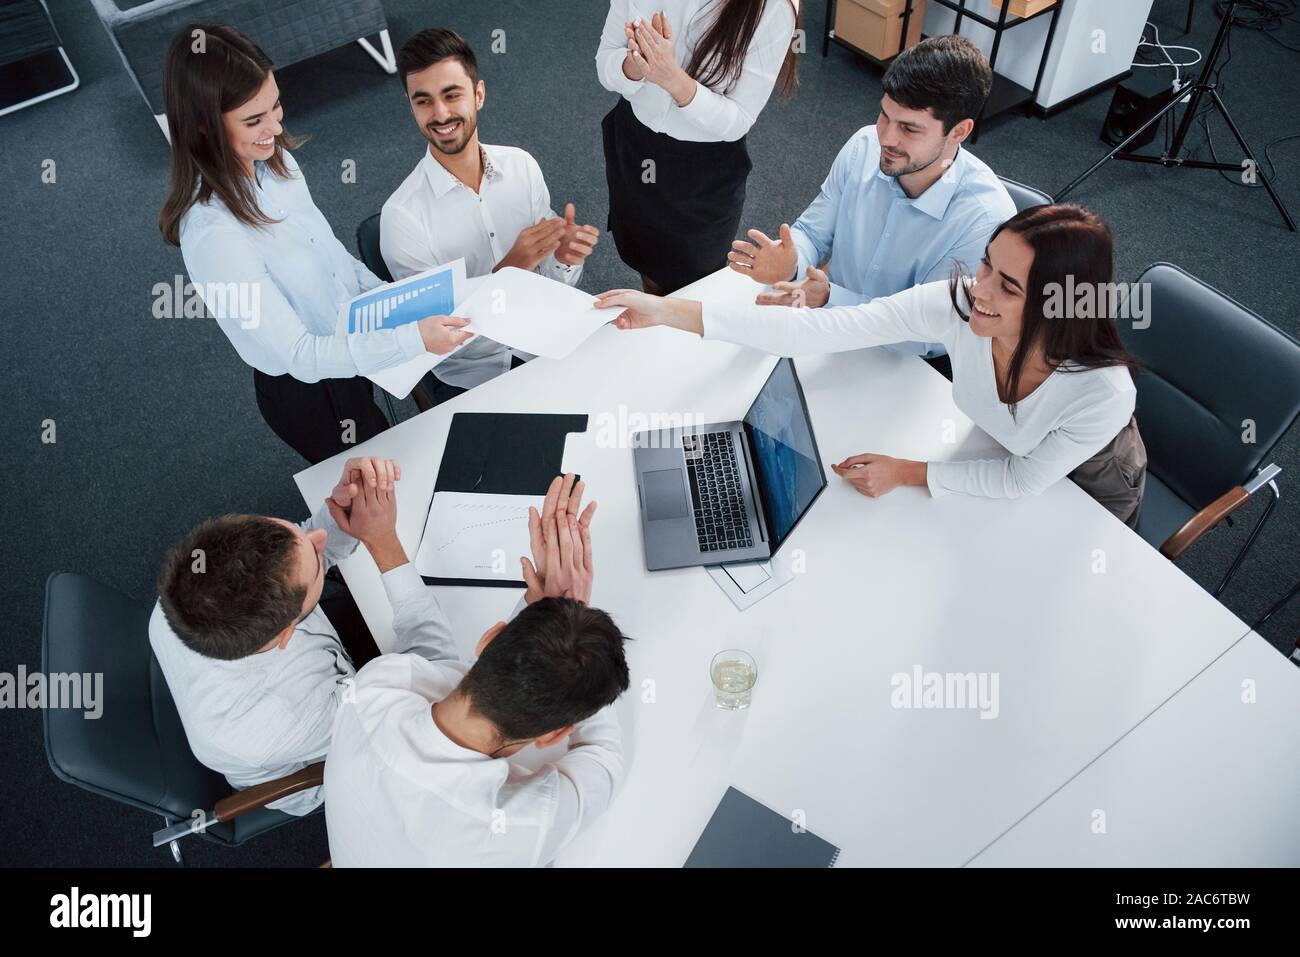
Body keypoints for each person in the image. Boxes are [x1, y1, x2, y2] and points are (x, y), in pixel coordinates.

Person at [597, 205, 1148, 526]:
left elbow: (1022, 479)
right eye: (986, 264)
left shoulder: (1102, 394)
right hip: (999, 446)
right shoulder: (959, 304)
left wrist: (906, 471)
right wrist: (666, 310)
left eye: (1007, 286)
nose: (978, 291)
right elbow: (818, 329)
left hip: (1092, 476)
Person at [158, 23, 474, 463]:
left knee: (391, 455)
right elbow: (300, 356)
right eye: (254, 120)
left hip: (349, 336)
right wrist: (410, 340)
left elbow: (332, 259)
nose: (274, 127)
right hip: (309, 390)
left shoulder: (275, 161)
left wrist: (397, 302)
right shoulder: (214, 237)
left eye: (276, 105)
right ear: (204, 127)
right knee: (377, 484)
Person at [324, 474, 631, 866]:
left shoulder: (371, 690)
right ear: (554, 734)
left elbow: (436, 658)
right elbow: (603, 757)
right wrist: (570, 616)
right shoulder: (521, 825)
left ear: (488, 638)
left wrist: (558, 618)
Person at [151, 456, 429, 814]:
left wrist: (342, 515)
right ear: (287, 636)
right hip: (327, 751)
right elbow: (430, 684)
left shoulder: (183, 592)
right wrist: (386, 547)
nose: (320, 537)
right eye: (315, 554)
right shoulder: (291, 717)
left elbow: (298, 563)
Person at [727, 35, 1015, 359]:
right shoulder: (864, 146)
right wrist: (792, 261)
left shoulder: (985, 222)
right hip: (827, 324)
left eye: (909, 128)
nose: (886, 137)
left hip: (907, 361)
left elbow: (929, 333)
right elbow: (811, 233)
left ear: (959, 132)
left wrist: (829, 298)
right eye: (884, 115)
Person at [381, 28, 600, 405]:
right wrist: (507, 271)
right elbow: (435, 337)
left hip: (544, 338)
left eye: (452, 95)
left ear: (478, 94)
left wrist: (563, 261)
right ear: (411, 106)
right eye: (424, 101)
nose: (441, 114)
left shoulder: (522, 167)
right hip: (475, 373)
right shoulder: (402, 219)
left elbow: (551, 285)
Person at [596, 0, 799, 295]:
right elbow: (606, 63)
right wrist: (637, 65)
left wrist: (671, 78)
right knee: (642, 259)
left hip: (700, 173)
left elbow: (738, 120)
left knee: (688, 285)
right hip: (635, 147)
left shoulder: (774, 8)